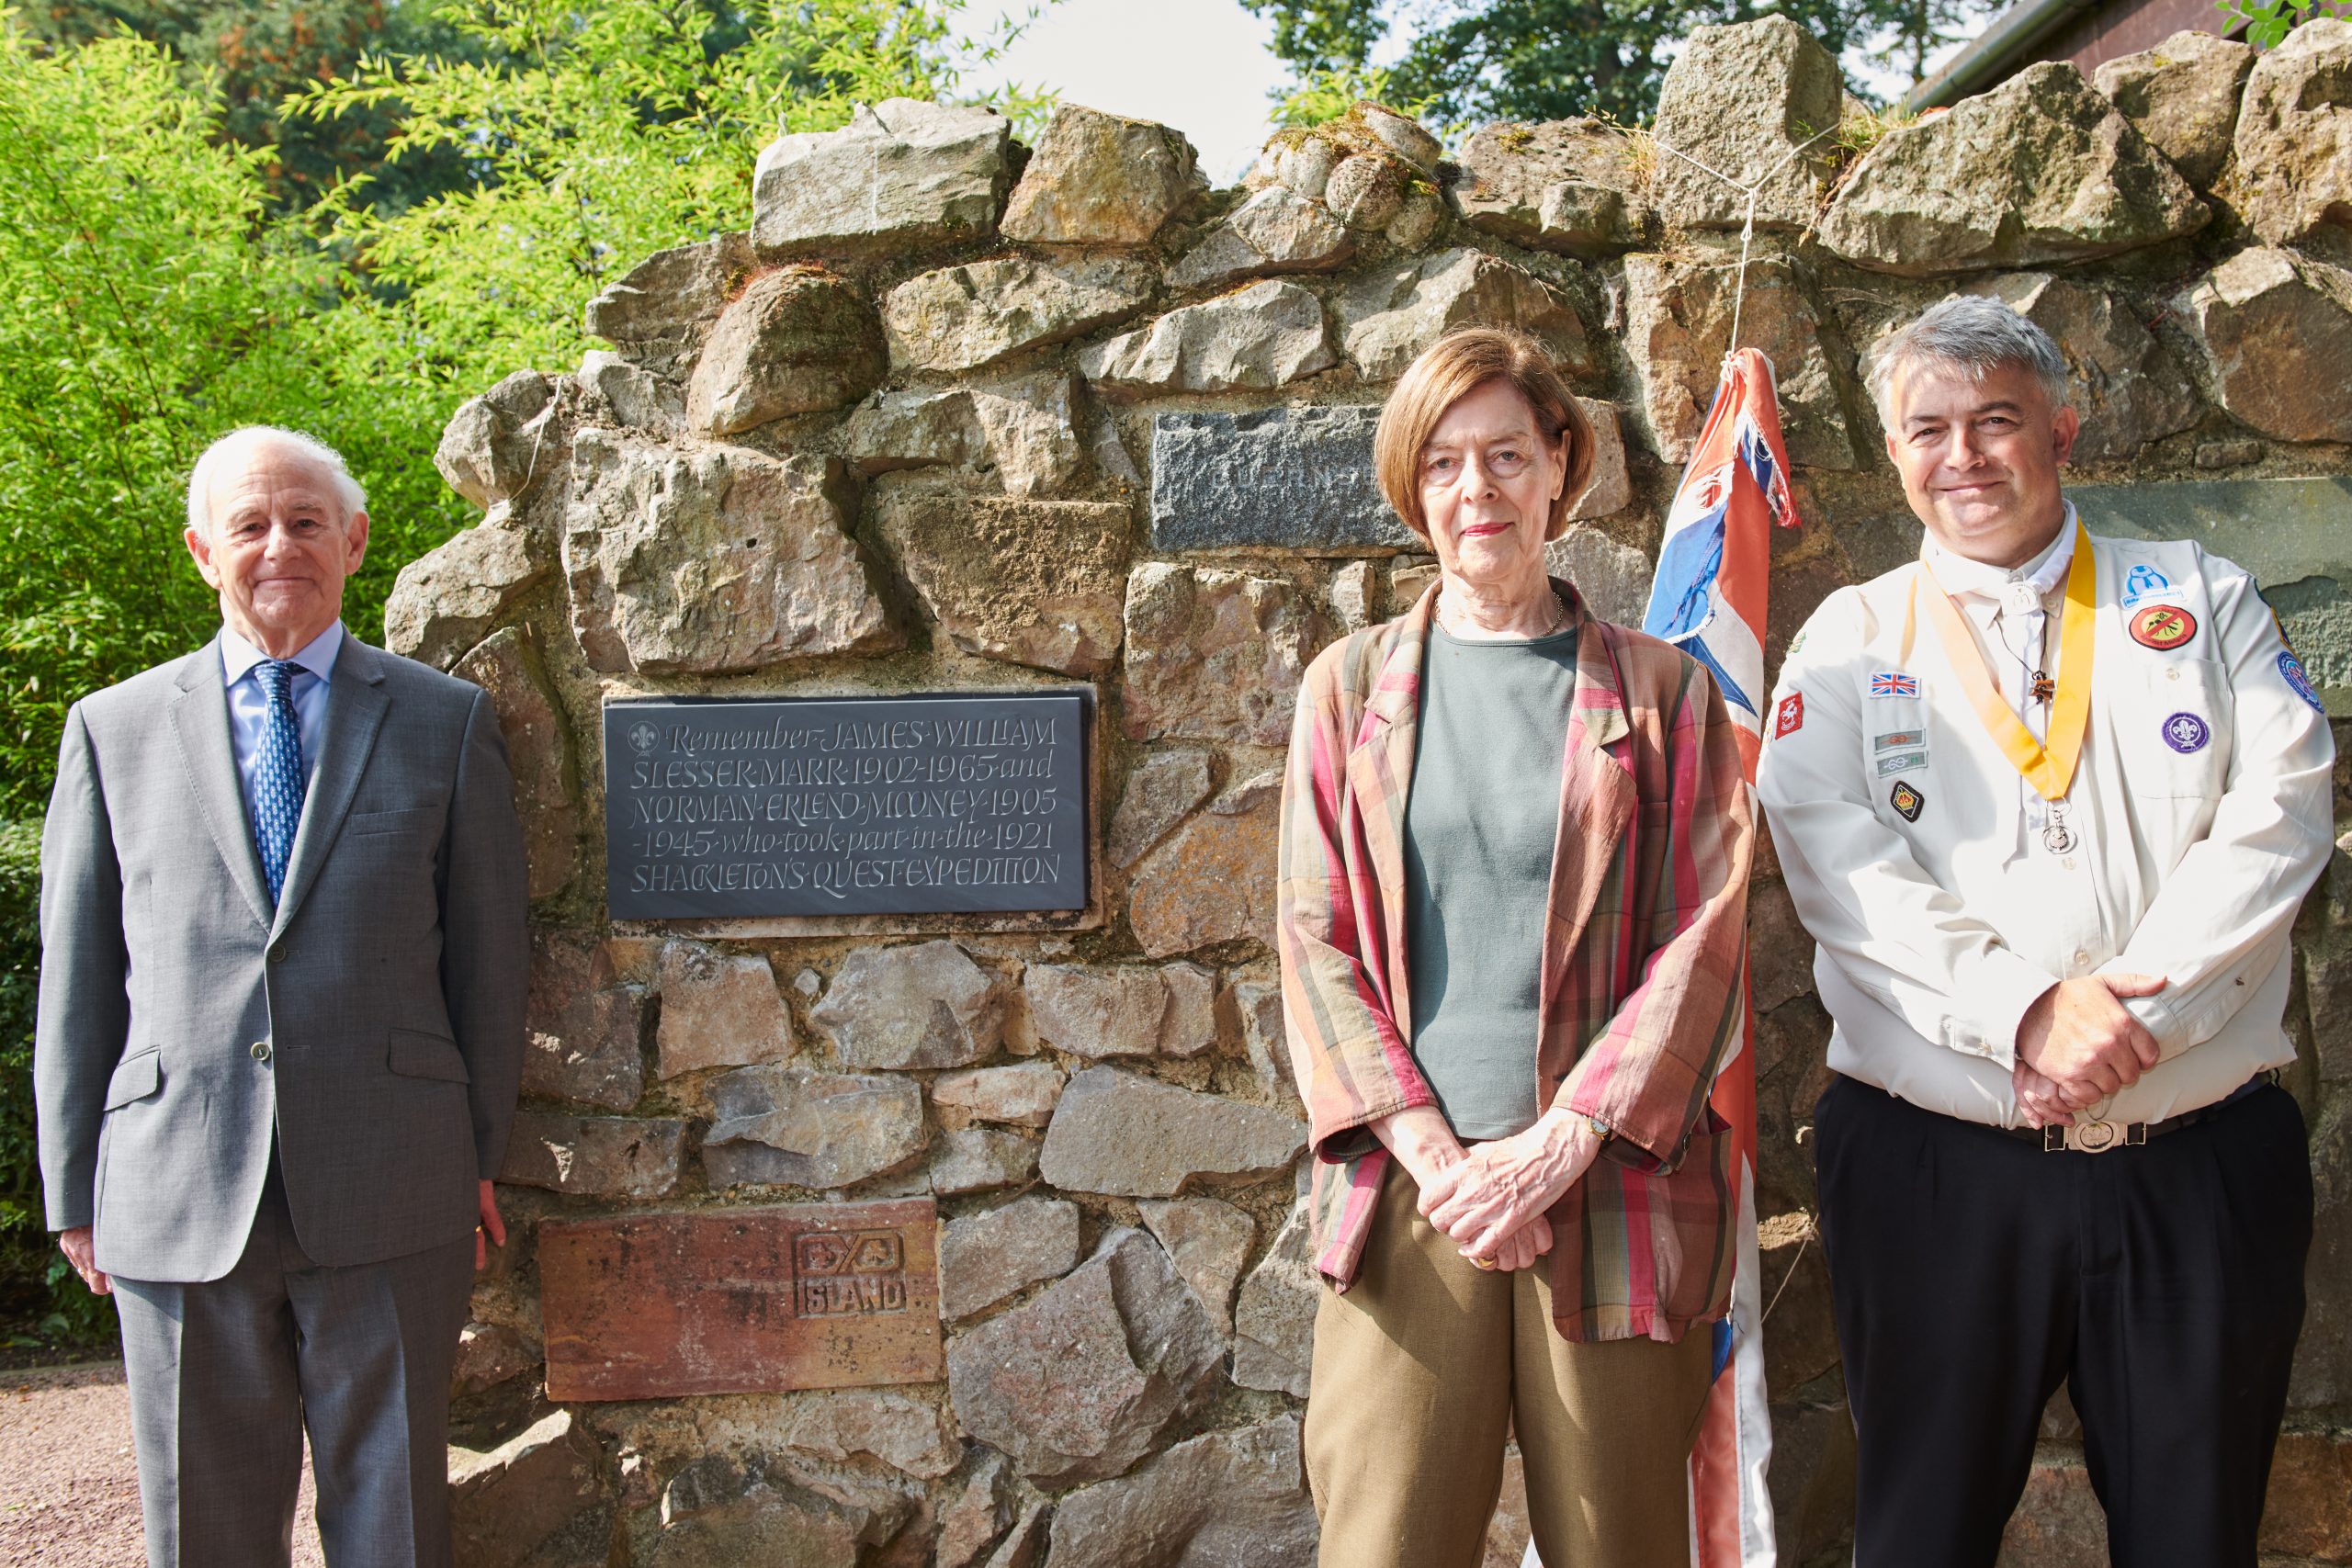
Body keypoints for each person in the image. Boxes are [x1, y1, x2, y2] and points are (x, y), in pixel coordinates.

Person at [1757, 295, 2333, 1568]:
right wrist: (2024, 1012)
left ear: (2063, 427)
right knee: (1921, 1534)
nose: (1962, 453)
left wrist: (2135, 1019)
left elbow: (2282, 812)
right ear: (1897, 452)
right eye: (1929, 427)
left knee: (2197, 1539)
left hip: (2194, 1161)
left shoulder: (2199, 596)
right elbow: (1834, 862)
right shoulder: (1851, 638)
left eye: (1997, 419)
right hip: (1938, 1170)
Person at [1276, 326, 1754, 1568]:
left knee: (1622, 1548)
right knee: (1382, 1545)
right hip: (1410, 1196)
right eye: (1441, 462)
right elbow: (1315, 941)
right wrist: (1441, 1155)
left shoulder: (1662, 693)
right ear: (1411, 486)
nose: (1474, 489)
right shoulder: (1348, 686)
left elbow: (1702, 939)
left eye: (1503, 454)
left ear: (1560, 462)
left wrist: (1556, 1143)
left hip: (1611, 1194)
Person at [35, 425, 530, 1567]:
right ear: (203, 549)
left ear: (353, 542)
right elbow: (79, 973)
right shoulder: (112, 731)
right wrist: (74, 1183)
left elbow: (491, 963)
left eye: (306, 522)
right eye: (250, 525)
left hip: (392, 1178)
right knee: (201, 1524)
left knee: (394, 1519)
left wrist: (479, 1154)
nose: (279, 547)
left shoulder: (441, 720)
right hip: (172, 1180)